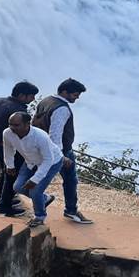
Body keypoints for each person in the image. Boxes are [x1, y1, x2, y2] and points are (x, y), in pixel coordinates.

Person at [32, 78, 92, 225]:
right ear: (65, 92)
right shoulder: (62, 108)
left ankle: (42, 202)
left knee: (35, 179)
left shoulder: (46, 101)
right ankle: (70, 210)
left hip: (39, 147)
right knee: (71, 180)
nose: (77, 98)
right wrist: (61, 156)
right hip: (59, 152)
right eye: (75, 95)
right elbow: (55, 135)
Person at [3, 111, 71, 228]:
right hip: (30, 161)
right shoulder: (8, 133)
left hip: (52, 162)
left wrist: (35, 179)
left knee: (35, 191)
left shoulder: (40, 136)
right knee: (17, 187)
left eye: (16, 125)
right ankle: (45, 199)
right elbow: (8, 149)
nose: (12, 128)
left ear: (27, 124)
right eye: (11, 124)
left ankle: (39, 217)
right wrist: (10, 165)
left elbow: (48, 159)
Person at [0, 81, 39, 217]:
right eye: (31, 96)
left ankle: (1, 200)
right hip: (10, 147)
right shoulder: (19, 111)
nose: (33, 99)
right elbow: (21, 132)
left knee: (5, 172)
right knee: (11, 175)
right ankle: (5, 206)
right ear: (22, 95)